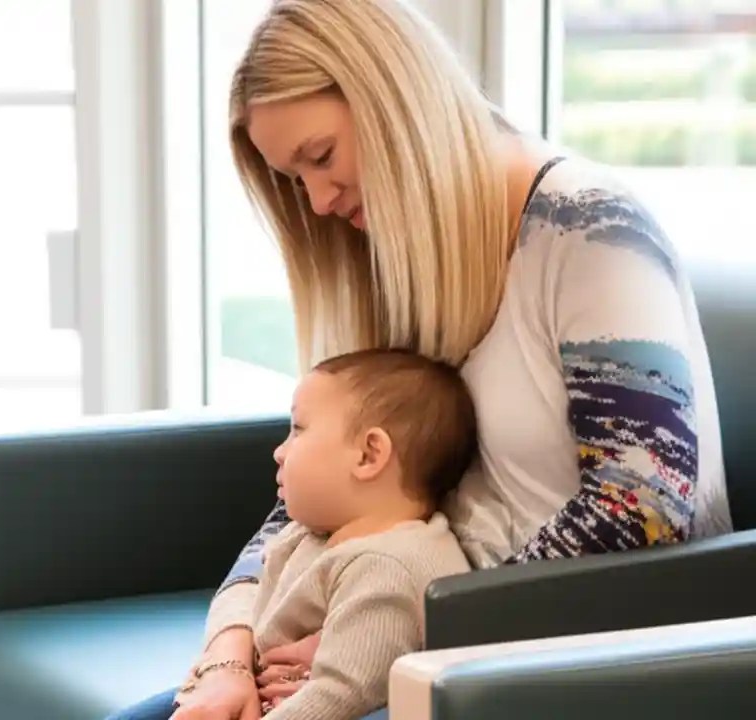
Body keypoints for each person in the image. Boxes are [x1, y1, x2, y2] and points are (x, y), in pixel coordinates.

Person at [110, 1, 731, 719]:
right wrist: (225, 660)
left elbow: (642, 505)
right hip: (414, 642)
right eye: (292, 180)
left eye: (320, 158)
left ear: (393, 101)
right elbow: (307, 504)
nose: (315, 201)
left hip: (565, 656)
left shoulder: (587, 225)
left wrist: (401, 630)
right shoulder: (400, 256)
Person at [179, 349, 474, 720]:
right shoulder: (318, 532)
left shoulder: (387, 569)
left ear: (368, 456)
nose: (279, 452)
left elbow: (337, 698)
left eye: (298, 430)